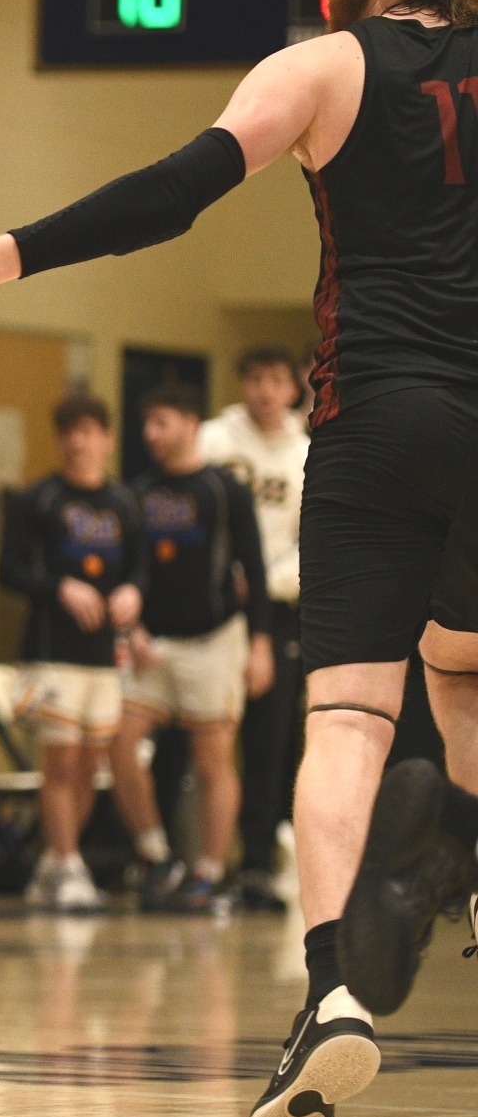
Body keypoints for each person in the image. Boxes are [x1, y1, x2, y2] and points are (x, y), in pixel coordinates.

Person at [0, 0, 478, 1117]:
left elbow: (174, 193)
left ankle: (328, 993)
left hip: (373, 418)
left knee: (355, 719)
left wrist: (1, 257)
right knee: (463, 672)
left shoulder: (319, 68)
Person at [111, 383, 273, 914]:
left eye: (161, 423)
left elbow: (254, 568)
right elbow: (129, 571)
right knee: (120, 743)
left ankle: (208, 871)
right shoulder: (138, 493)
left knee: (213, 761)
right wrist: (129, 632)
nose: (150, 435)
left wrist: (261, 643)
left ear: (189, 422)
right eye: (146, 424)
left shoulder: (226, 490)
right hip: (153, 643)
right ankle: (157, 856)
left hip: (215, 639)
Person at [0, 394, 146, 913]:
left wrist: (133, 592)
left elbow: (140, 568)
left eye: (89, 430)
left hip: (103, 656)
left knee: (88, 767)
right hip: (50, 651)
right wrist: (60, 586)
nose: (78, 441)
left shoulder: (126, 504)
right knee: (59, 763)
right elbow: (8, 571)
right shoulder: (37, 500)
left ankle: (55, 863)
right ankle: (68, 863)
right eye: (69, 431)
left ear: (106, 437)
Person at [201, 345, 310, 912]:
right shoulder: (215, 441)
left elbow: (309, 539)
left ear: (294, 388)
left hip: (277, 605)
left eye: (276, 380)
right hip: (212, 605)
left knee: (270, 742)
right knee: (201, 734)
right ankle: (196, 860)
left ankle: (259, 863)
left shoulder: (307, 452)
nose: (265, 391)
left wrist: (264, 582)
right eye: (255, 379)